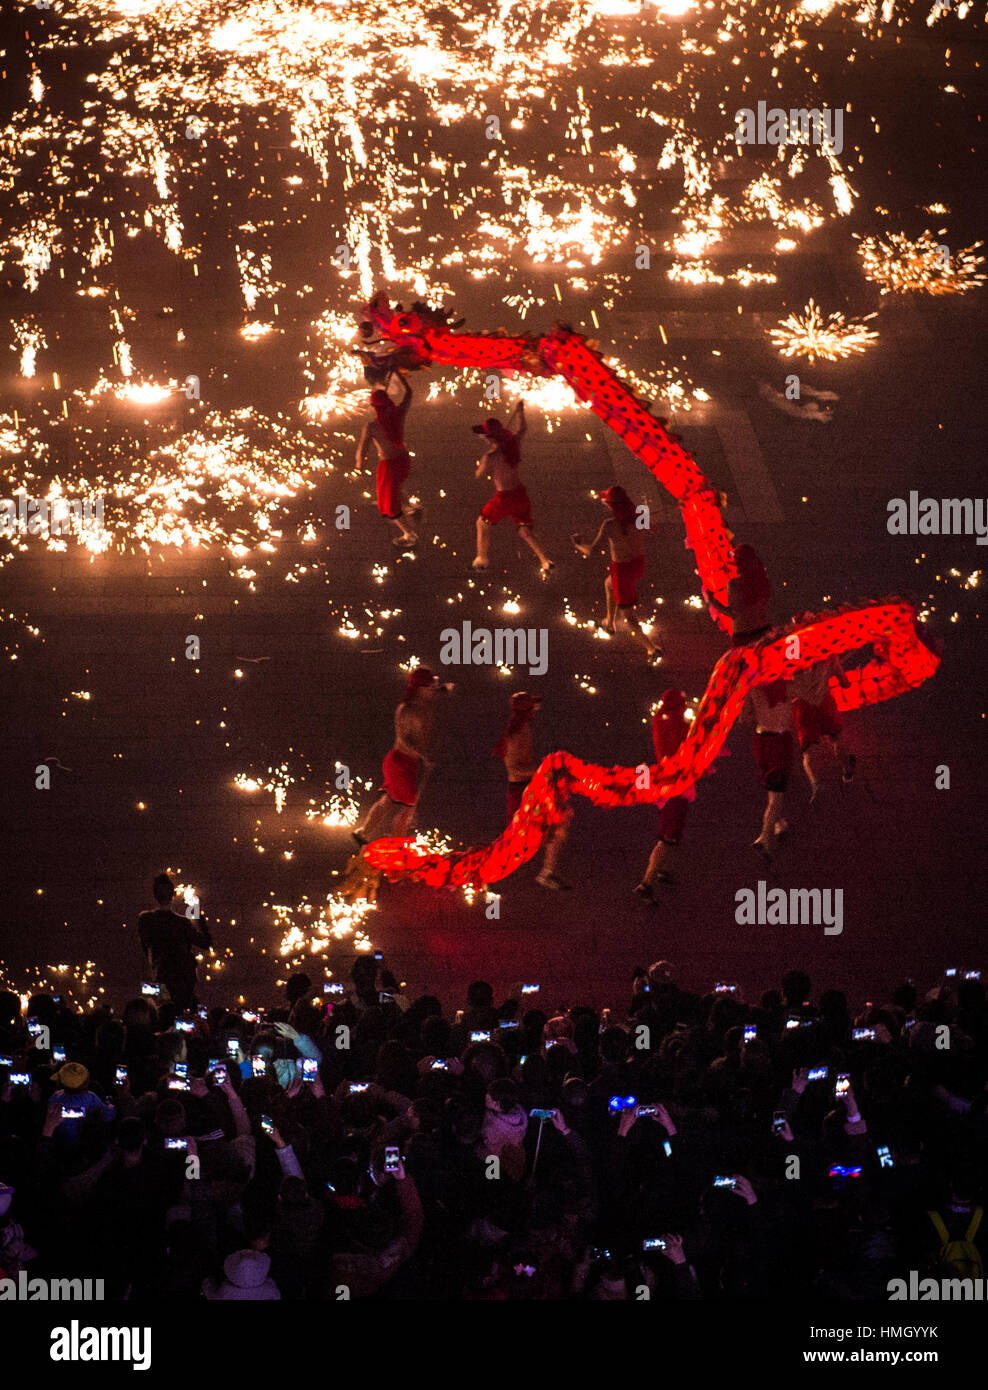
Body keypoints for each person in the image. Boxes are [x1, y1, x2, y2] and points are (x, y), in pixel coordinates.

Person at [354, 668, 452, 845]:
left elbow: (438, 691)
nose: (433, 690)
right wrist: (424, 756)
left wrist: (446, 689)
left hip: (410, 764)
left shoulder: (424, 703)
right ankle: (398, 846)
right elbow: (405, 740)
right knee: (408, 807)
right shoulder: (407, 710)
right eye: (429, 687)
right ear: (420, 689)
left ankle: (363, 832)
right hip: (399, 762)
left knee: (389, 800)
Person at [572, 485, 662, 661]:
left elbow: (592, 551)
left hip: (622, 572)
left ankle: (651, 649)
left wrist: (578, 544)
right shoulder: (639, 518)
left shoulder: (610, 525)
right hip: (638, 566)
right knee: (608, 584)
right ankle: (609, 622)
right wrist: (646, 518)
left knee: (629, 618)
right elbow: (655, 530)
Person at [492, 690, 571, 891]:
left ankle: (547, 873)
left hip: (531, 789)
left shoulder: (524, 728)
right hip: (521, 793)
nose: (536, 710)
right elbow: (515, 769)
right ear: (526, 711)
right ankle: (488, 873)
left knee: (556, 827)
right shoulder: (515, 735)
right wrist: (542, 771)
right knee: (518, 842)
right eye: (532, 707)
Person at [472, 400, 553, 576]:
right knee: (525, 531)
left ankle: (481, 560)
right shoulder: (513, 444)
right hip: (521, 495)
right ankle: (545, 561)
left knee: (482, 523)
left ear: (491, 437)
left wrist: (482, 462)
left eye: (484, 435)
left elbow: (479, 475)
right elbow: (523, 428)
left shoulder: (492, 455)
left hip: (506, 498)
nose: (482, 438)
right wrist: (521, 412)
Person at [635, 688, 693, 902]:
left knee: (667, 829)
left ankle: (662, 869)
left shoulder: (660, 719)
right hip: (675, 785)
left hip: (663, 781)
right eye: (683, 704)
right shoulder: (677, 725)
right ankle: (646, 883)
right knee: (667, 837)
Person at [356, 369, 420, 548]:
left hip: (389, 466)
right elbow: (409, 393)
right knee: (395, 488)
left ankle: (409, 534)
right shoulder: (398, 415)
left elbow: (362, 449)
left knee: (388, 506)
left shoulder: (372, 426)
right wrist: (397, 375)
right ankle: (411, 509)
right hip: (403, 461)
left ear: (374, 407)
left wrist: (358, 467)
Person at [137, 874, 212, 1011]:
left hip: (160, 976)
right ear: (173, 895)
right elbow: (204, 942)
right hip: (183, 980)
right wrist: (195, 910)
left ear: (155, 895)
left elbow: (145, 946)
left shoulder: (146, 919)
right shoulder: (181, 922)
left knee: (162, 1013)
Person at [789, 652, 856, 799]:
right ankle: (847, 771)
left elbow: (786, 684)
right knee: (836, 738)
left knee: (808, 751)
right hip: (824, 702)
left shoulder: (790, 653)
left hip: (803, 707)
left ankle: (815, 784)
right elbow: (845, 683)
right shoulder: (829, 655)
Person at [743, 677, 795, 860]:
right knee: (776, 799)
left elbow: (745, 717)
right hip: (780, 744)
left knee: (772, 789)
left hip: (761, 742)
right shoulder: (789, 685)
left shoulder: (753, 686)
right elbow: (812, 696)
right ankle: (765, 837)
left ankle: (779, 823)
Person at [703, 543, 772, 645]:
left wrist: (711, 599)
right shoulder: (762, 581)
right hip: (764, 632)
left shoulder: (734, 583)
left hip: (743, 637)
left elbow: (733, 613)